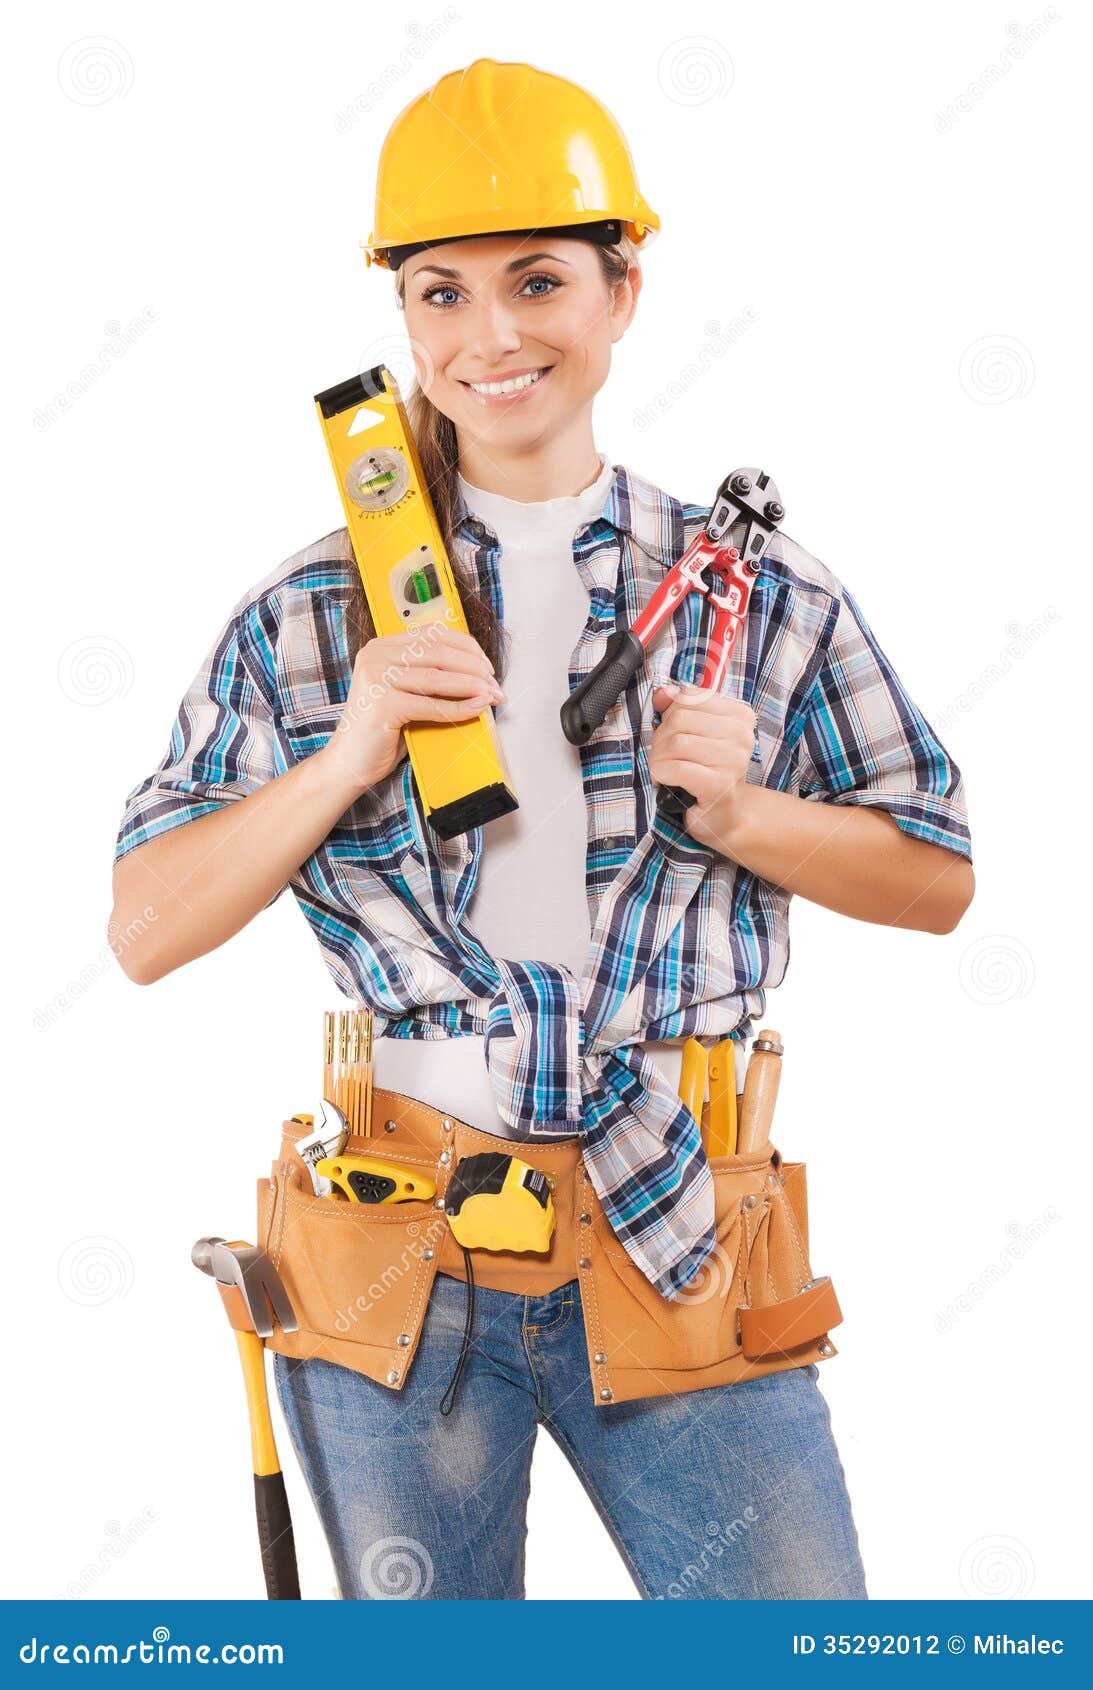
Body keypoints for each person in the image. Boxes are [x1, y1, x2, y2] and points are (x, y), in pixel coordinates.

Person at [109, 59, 974, 1600]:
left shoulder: (758, 593)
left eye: (537, 280)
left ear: (622, 289)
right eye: (440, 293)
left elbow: (937, 879)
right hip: (399, 1257)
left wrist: (748, 813)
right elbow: (144, 930)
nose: (490, 335)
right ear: (402, 318)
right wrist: (345, 755)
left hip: (682, 1227)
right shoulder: (308, 612)